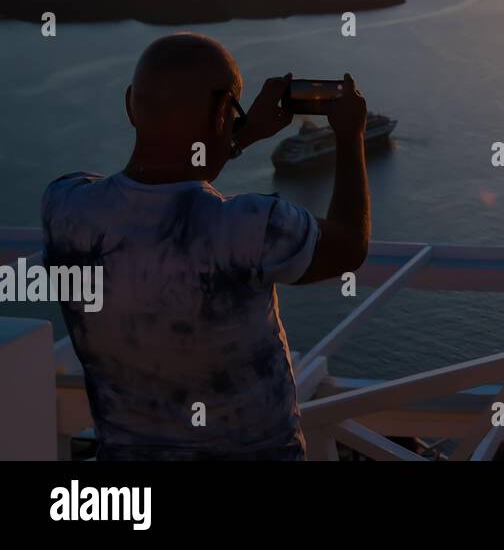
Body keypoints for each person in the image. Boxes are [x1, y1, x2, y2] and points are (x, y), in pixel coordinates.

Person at [41, 32, 371, 460]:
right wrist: (350, 137)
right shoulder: (254, 228)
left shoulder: (65, 207)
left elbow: (160, 183)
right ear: (222, 114)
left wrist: (235, 133)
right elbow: (349, 246)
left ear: (129, 106)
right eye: (229, 112)